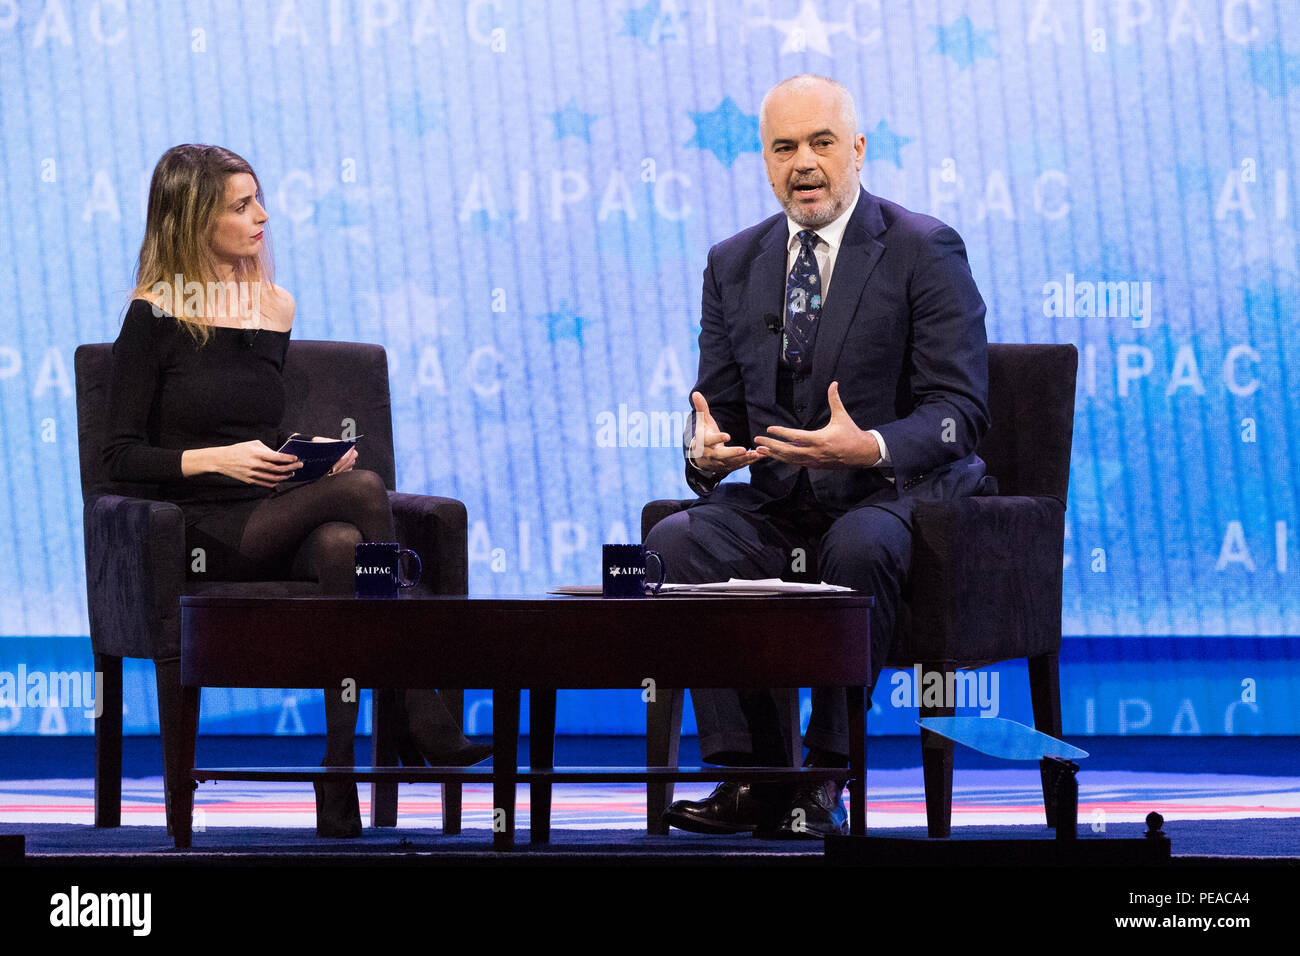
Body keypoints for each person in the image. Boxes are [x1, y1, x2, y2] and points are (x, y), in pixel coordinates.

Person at [103, 144, 488, 838]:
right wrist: (215, 460)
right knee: (367, 491)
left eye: (259, 200)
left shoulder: (274, 306)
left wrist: (300, 466)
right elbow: (120, 457)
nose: (263, 217)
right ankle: (416, 704)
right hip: (194, 531)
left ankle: (338, 772)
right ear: (193, 219)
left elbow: (257, 424)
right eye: (242, 205)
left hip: (269, 513)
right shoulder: (152, 313)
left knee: (345, 544)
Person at [646, 75, 991, 838]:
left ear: (858, 149)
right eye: (784, 147)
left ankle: (827, 772)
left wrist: (866, 446)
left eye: (821, 143)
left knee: (858, 545)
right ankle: (754, 774)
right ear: (765, 163)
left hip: (891, 499)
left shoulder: (922, 248)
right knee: (678, 540)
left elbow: (959, 414)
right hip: (777, 502)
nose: (804, 163)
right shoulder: (732, 262)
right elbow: (718, 411)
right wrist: (704, 453)